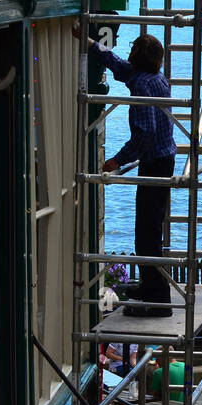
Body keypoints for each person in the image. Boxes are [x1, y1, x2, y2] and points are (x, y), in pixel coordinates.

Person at [75, 24, 176, 318]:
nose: (128, 54)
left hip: (156, 163)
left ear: (140, 58)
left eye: (133, 51)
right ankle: (151, 288)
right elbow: (117, 64)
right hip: (161, 160)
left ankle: (158, 299)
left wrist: (116, 160)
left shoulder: (144, 85)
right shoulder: (153, 78)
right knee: (148, 230)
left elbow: (144, 134)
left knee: (147, 233)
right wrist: (91, 42)